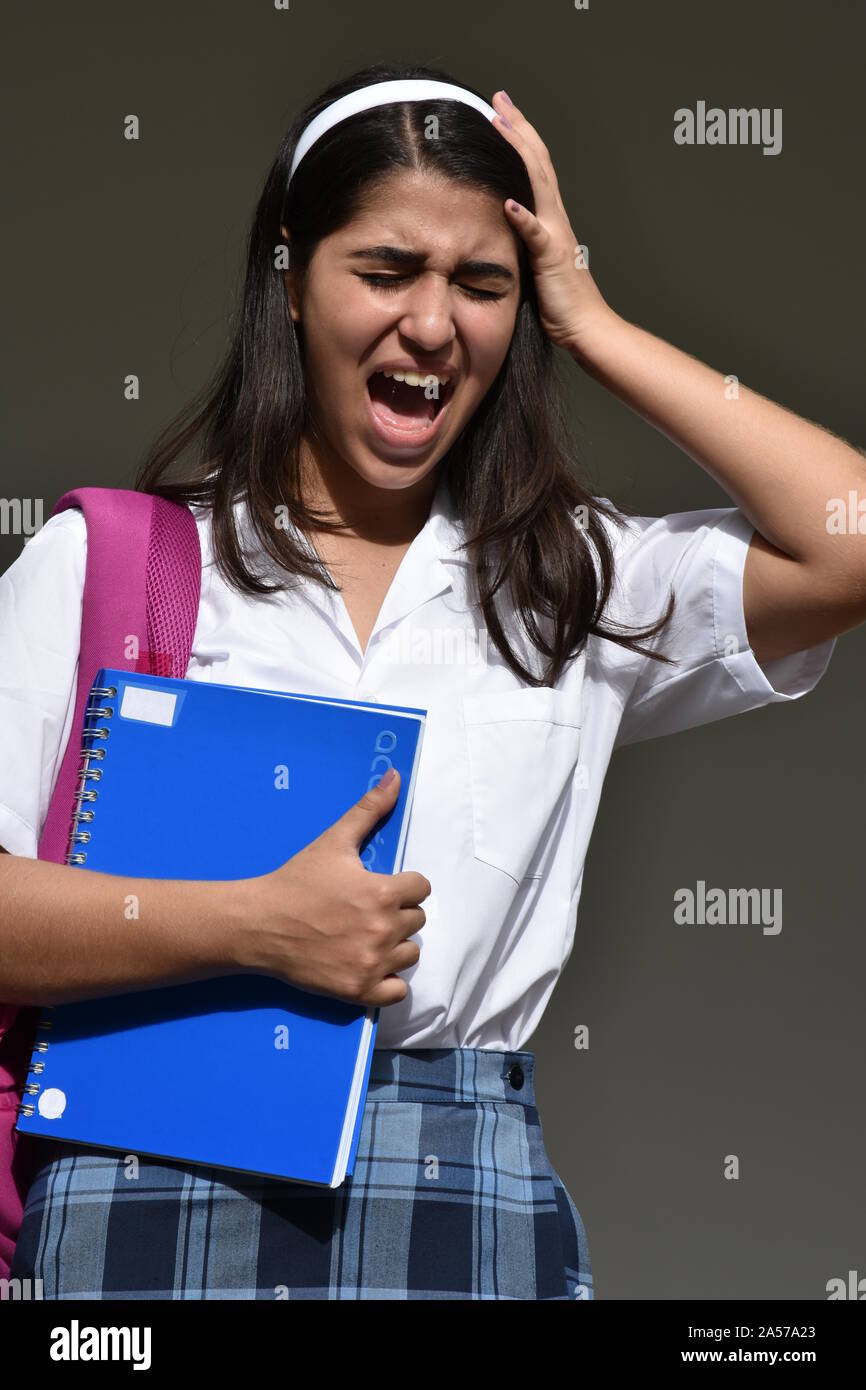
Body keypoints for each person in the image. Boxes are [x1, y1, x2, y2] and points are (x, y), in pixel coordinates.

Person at [1, 59, 863, 1301]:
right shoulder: (112, 564)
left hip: (460, 1198)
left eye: (482, 284)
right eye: (386, 269)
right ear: (289, 279)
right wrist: (248, 926)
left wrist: (592, 321)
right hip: (140, 1181)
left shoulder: (575, 584)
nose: (431, 323)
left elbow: (846, 539)